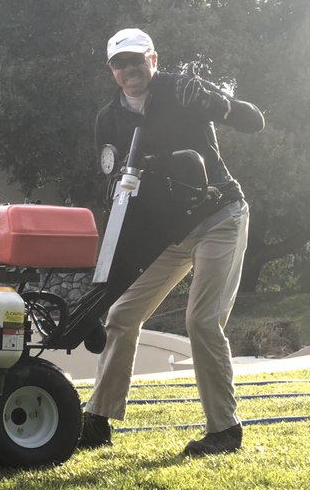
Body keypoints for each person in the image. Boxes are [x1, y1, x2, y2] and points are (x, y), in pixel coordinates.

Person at [80, 27, 265, 456]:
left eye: (136, 60)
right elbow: (116, 191)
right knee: (122, 314)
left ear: (153, 60)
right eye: (119, 63)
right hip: (170, 232)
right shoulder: (109, 119)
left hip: (219, 215)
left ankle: (225, 431)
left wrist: (221, 103)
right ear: (112, 71)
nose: (129, 70)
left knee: (201, 320)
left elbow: (252, 121)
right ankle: (98, 421)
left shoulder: (182, 91)